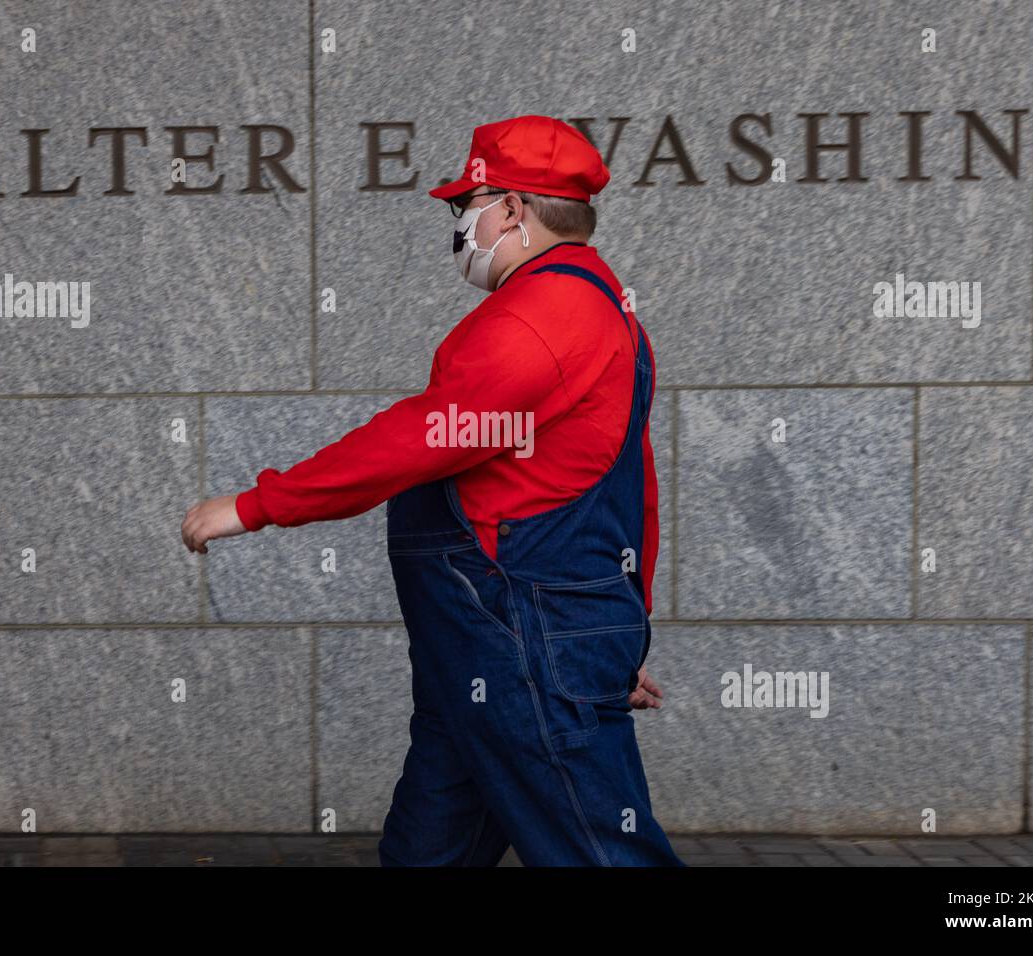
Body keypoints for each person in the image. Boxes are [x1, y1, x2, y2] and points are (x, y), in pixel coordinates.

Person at [181, 114, 684, 866]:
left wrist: (259, 506)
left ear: (513, 208)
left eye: (465, 205)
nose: (459, 224)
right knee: (431, 851)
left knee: (601, 854)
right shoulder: (608, 312)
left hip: (518, 634)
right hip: (512, 644)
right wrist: (619, 624)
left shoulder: (539, 317)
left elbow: (422, 437)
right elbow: (631, 486)